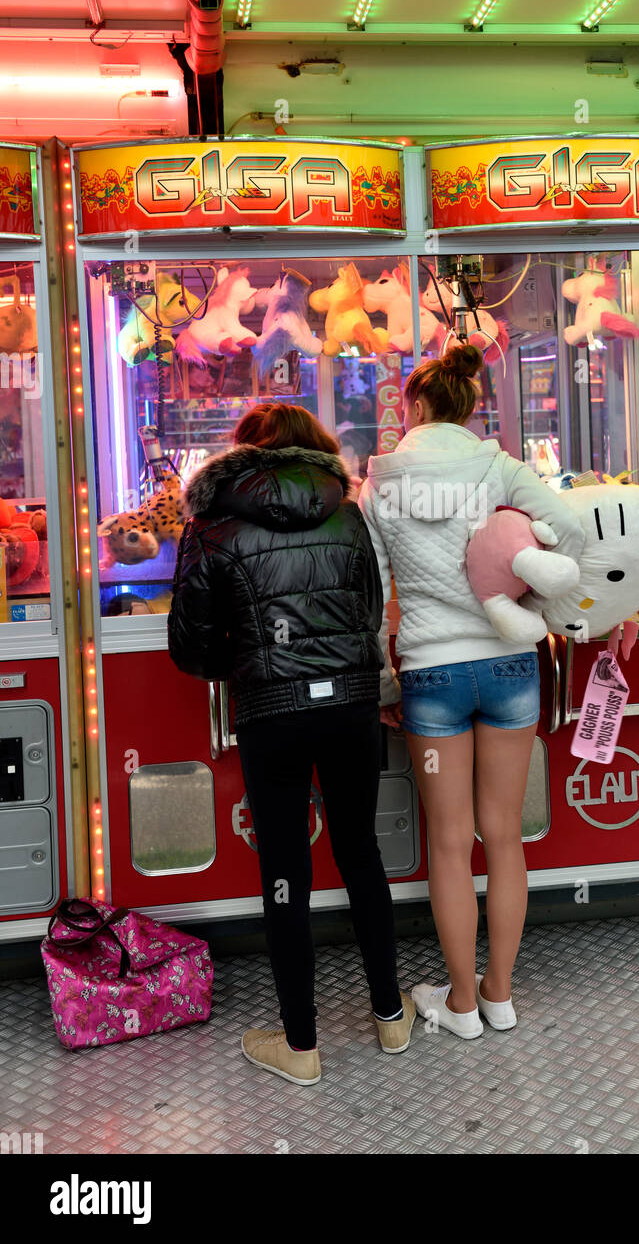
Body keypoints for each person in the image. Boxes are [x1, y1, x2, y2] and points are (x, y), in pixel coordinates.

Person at [167, 401, 415, 1087]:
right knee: (360, 851)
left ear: (244, 454)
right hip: (352, 705)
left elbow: (187, 646)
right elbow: (367, 612)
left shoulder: (211, 524)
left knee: (284, 868)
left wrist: (250, 665)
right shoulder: (348, 513)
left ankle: (300, 1046)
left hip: (271, 713)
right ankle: (391, 1018)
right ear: (315, 451)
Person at [358, 343, 585, 1039]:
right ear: (471, 407)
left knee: (451, 843)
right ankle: (500, 993)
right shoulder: (501, 467)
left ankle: (459, 1004)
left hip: (431, 677)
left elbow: (371, 597)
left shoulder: (378, 485)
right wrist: (521, 545)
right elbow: (571, 533)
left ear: (412, 407)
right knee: (504, 837)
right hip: (511, 666)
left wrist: (384, 680)